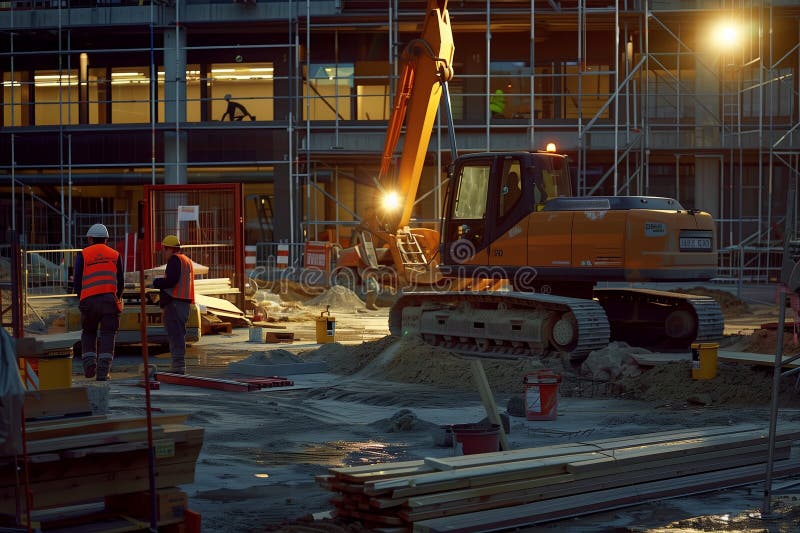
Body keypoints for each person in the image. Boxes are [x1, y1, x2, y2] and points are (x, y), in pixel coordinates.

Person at [72, 223, 124, 381]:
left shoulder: (83, 254)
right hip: (109, 300)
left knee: (88, 332)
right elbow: (120, 282)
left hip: (88, 300)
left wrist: (81, 297)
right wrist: (117, 297)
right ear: (106, 239)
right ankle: (103, 372)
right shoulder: (115, 255)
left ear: (91, 238)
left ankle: (89, 364)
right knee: (108, 334)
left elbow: (77, 281)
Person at [153, 235, 195, 374]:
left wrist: (155, 282)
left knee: (175, 335)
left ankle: (178, 367)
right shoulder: (186, 260)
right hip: (183, 302)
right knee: (179, 334)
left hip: (175, 302)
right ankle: (178, 365)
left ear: (169, 249)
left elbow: (171, 281)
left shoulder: (175, 260)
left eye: (164, 250)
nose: (163, 253)